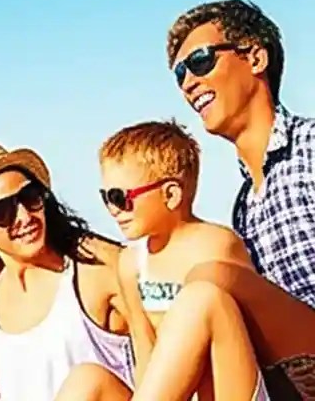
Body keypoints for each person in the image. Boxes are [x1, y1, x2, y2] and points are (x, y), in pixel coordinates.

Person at [165, 0, 315, 398]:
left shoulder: (311, 149)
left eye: (199, 61)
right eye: (179, 75)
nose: (188, 84)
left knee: (209, 279)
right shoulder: (244, 205)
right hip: (287, 376)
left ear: (255, 58)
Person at [0, 140, 135, 401]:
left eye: (29, 198)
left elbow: (162, 346)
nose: (23, 216)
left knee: (85, 382)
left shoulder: (94, 269)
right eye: (1, 211)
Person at [93, 118, 269, 401]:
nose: (114, 210)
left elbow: (255, 336)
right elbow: (144, 346)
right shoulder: (131, 264)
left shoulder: (216, 245)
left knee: (202, 299)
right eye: (106, 197)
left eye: (120, 197)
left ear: (171, 195)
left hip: (230, 391)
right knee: (89, 379)